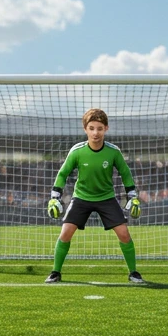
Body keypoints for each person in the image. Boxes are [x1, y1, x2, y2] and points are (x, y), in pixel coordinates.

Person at [46, 108, 143, 284]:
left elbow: (125, 173)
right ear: (85, 129)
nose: (95, 133)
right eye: (91, 128)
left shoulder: (113, 152)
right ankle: (55, 272)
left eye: (99, 128)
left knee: (124, 234)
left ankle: (134, 273)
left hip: (106, 198)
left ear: (106, 128)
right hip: (81, 197)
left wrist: (132, 196)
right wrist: (55, 196)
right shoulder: (77, 151)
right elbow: (63, 173)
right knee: (65, 233)